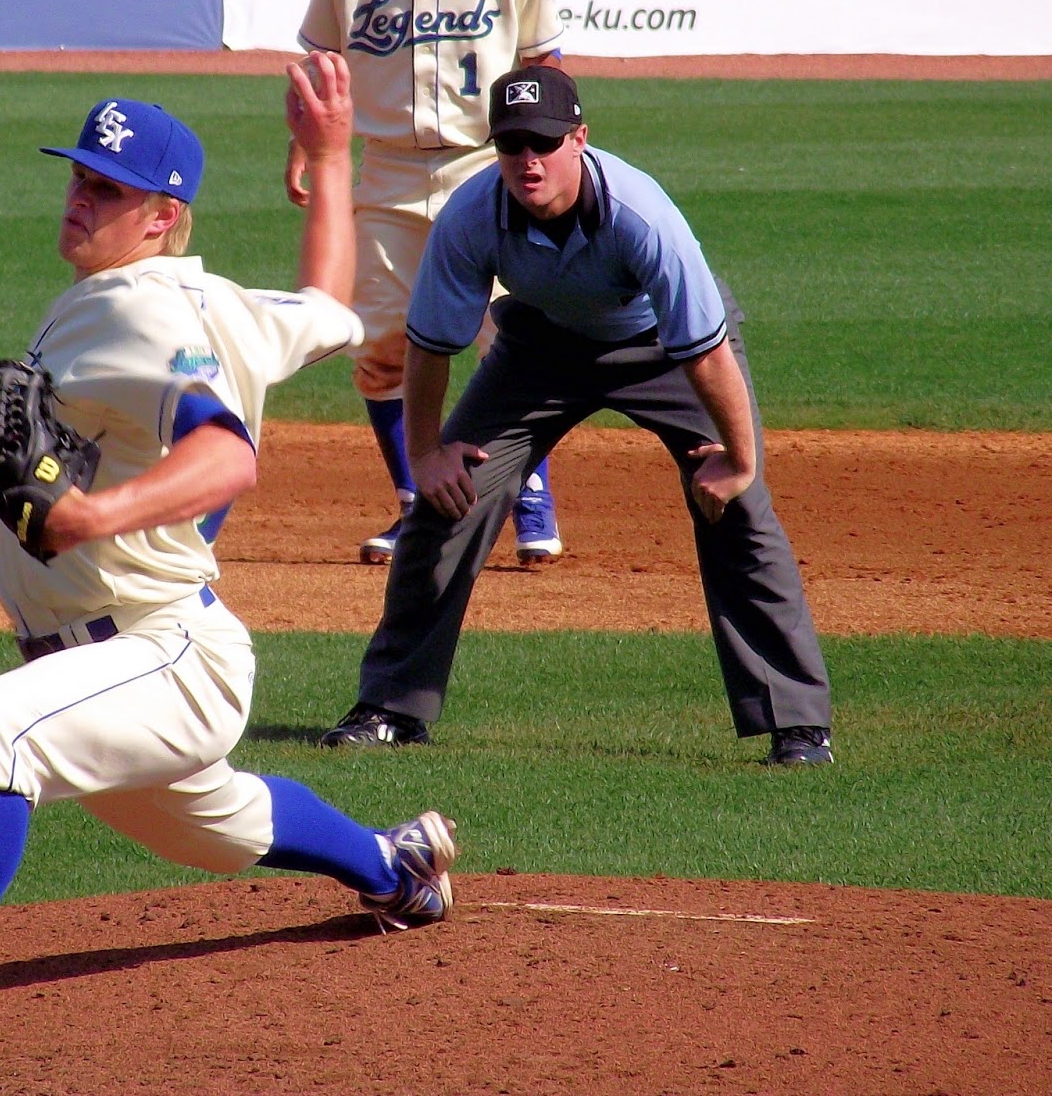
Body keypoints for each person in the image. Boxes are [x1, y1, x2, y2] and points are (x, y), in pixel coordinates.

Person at [0, 52, 458, 1096]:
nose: (81, 197)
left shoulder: (140, 312)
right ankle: (397, 867)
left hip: (159, 652)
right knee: (229, 827)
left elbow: (228, 454)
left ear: (163, 215)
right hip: (135, 661)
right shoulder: (215, 304)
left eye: (107, 188)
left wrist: (93, 511)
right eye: (77, 175)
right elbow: (327, 302)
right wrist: (332, 158)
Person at [319, 65, 833, 765]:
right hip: (539, 346)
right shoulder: (471, 218)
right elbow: (429, 346)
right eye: (512, 146)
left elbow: (707, 354)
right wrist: (427, 454)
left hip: (661, 348)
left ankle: (798, 724)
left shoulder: (641, 216)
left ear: (579, 139)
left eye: (544, 143)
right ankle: (390, 708)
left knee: (736, 504)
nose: (528, 161)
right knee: (448, 502)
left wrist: (740, 461)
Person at [287, 0, 570, 577]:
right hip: (386, 169)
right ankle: (417, 499)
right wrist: (306, 140)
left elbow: (543, 62)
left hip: (485, 163)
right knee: (380, 339)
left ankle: (529, 493)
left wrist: (543, 158)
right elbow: (324, 60)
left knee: (510, 332)